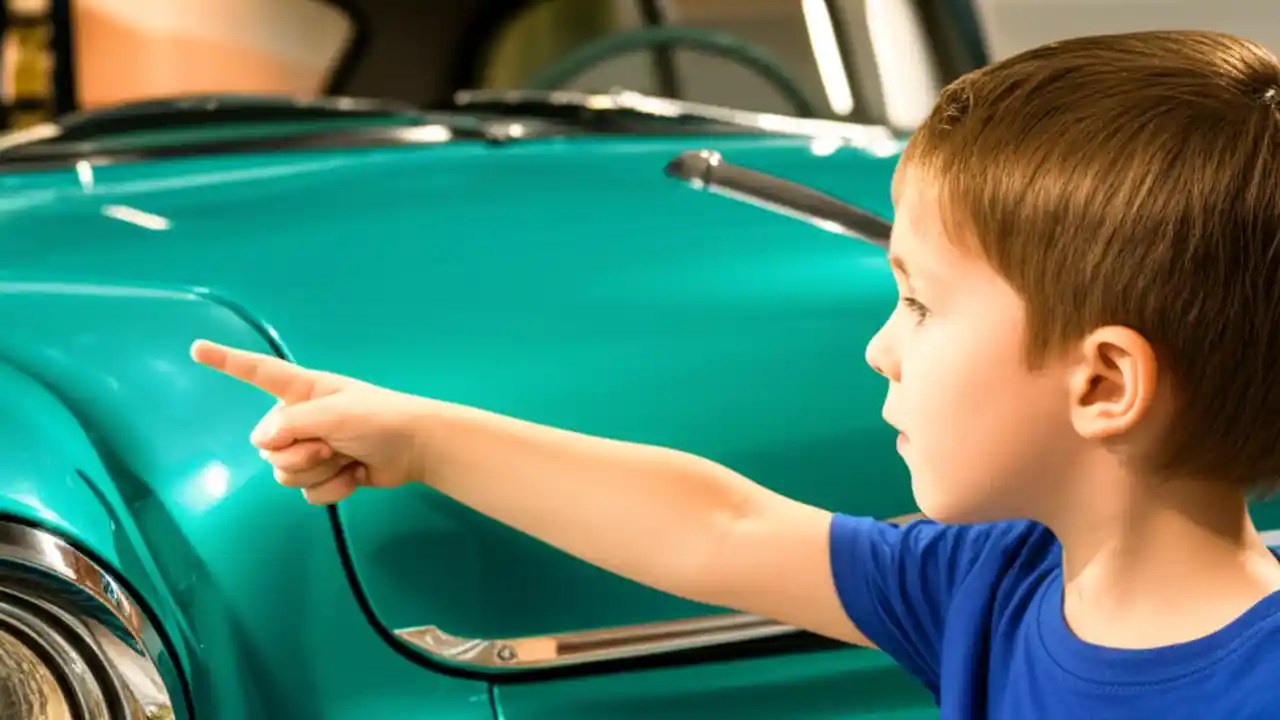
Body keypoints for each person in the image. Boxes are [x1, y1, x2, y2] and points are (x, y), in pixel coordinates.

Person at [190, 29, 1280, 718]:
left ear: (1101, 386)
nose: (880, 345)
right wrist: (422, 437)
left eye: (919, 301)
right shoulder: (992, 586)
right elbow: (717, 529)